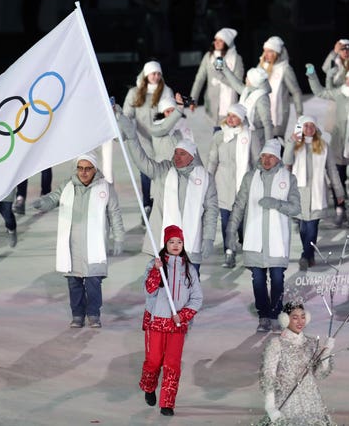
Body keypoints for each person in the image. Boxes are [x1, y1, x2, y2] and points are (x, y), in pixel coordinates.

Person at [32, 152, 125, 328]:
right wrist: (42, 203)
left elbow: (115, 214)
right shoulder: (68, 186)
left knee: (93, 282)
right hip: (72, 246)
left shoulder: (105, 188)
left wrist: (119, 237)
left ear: (95, 169)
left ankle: (93, 314)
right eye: (80, 168)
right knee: (74, 283)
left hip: (94, 246)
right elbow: (52, 199)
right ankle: (77, 315)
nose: (83, 172)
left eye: (88, 169)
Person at [118, 113, 218, 272]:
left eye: (182, 153)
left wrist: (208, 237)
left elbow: (211, 210)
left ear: (192, 157)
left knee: (190, 286)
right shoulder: (164, 170)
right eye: (176, 152)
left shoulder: (205, 178)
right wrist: (131, 137)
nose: (176, 156)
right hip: (162, 243)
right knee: (163, 288)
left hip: (191, 245)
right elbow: (142, 161)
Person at [226, 139, 301, 332]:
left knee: (277, 278)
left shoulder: (288, 178)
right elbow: (239, 205)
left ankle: (275, 314)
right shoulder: (250, 177)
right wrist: (231, 230)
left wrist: (276, 204)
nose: (267, 160)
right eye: (264, 156)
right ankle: (263, 315)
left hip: (277, 240)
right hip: (254, 238)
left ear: (278, 159)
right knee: (258, 280)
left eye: (271, 156)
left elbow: (295, 208)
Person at [139, 225, 203, 417]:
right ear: (166, 244)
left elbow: (197, 298)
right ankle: (149, 386)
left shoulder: (189, 269)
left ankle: (167, 402)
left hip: (176, 325)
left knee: (172, 363)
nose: (176, 245)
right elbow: (148, 290)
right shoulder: (155, 264)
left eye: (179, 242)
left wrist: (183, 315)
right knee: (153, 360)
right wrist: (157, 271)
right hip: (156, 321)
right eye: (172, 242)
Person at [305, 63, 349, 228]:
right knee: (338, 179)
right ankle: (340, 209)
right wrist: (311, 74)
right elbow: (320, 92)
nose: (348, 81)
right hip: (339, 144)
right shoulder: (340, 92)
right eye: (348, 78)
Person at [283, 116, 344, 271]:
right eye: (305, 125)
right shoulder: (295, 145)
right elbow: (287, 162)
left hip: (317, 190)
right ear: (300, 128)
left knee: (312, 225)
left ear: (316, 128)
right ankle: (310, 255)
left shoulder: (324, 146)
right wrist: (291, 142)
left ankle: (306, 254)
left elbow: (332, 169)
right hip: (300, 191)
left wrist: (339, 191)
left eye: (312, 125)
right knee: (304, 227)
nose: (309, 128)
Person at [259, 302, 334, 426]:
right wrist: (270, 406)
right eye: (295, 317)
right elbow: (268, 376)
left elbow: (320, 374)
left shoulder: (311, 343)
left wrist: (326, 354)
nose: (300, 321)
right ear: (285, 319)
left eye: (303, 316)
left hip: (312, 402)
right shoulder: (276, 344)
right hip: (286, 402)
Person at [123, 61, 182, 218]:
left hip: (161, 138)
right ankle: (147, 204)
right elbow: (127, 114)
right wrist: (124, 128)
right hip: (143, 139)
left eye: (158, 73)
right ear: (146, 75)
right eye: (152, 73)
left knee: (163, 170)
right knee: (146, 171)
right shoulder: (135, 93)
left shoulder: (166, 91)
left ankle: (161, 203)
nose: (156, 77)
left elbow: (170, 112)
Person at [207, 104, 262, 268]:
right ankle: (229, 252)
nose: (230, 119)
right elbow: (212, 161)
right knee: (226, 221)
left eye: (234, 116)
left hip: (244, 186)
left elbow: (257, 162)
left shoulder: (250, 136)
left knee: (243, 222)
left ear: (242, 119)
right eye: (228, 115)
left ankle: (245, 244)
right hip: (223, 185)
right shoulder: (219, 136)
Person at [190, 28, 244, 124]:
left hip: (229, 105)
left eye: (220, 40)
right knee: (216, 134)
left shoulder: (236, 59)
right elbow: (199, 79)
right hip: (212, 105)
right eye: (216, 40)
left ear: (227, 43)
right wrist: (193, 99)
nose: (216, 43)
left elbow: (239, 85)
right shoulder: (209, 57)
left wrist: (220, 77)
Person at [258, 36, 304, 138]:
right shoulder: (262, 66)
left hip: (279, 114)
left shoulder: (285, 69)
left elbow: (296, 92)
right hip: (262, 112)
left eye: (270, 51)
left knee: (276, 143)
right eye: (265, 51)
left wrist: (299, 113)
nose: (266, 54)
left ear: (277, 53)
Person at [220, 65, 274, 143]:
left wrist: (269, 145)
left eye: (248, 78)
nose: (246, 79)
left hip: (257, 137)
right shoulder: (248, 91)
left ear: (253, 81)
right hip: (244, 132)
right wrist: (224, 68)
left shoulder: (262, 98)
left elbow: (267, 123)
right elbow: (236, 84)